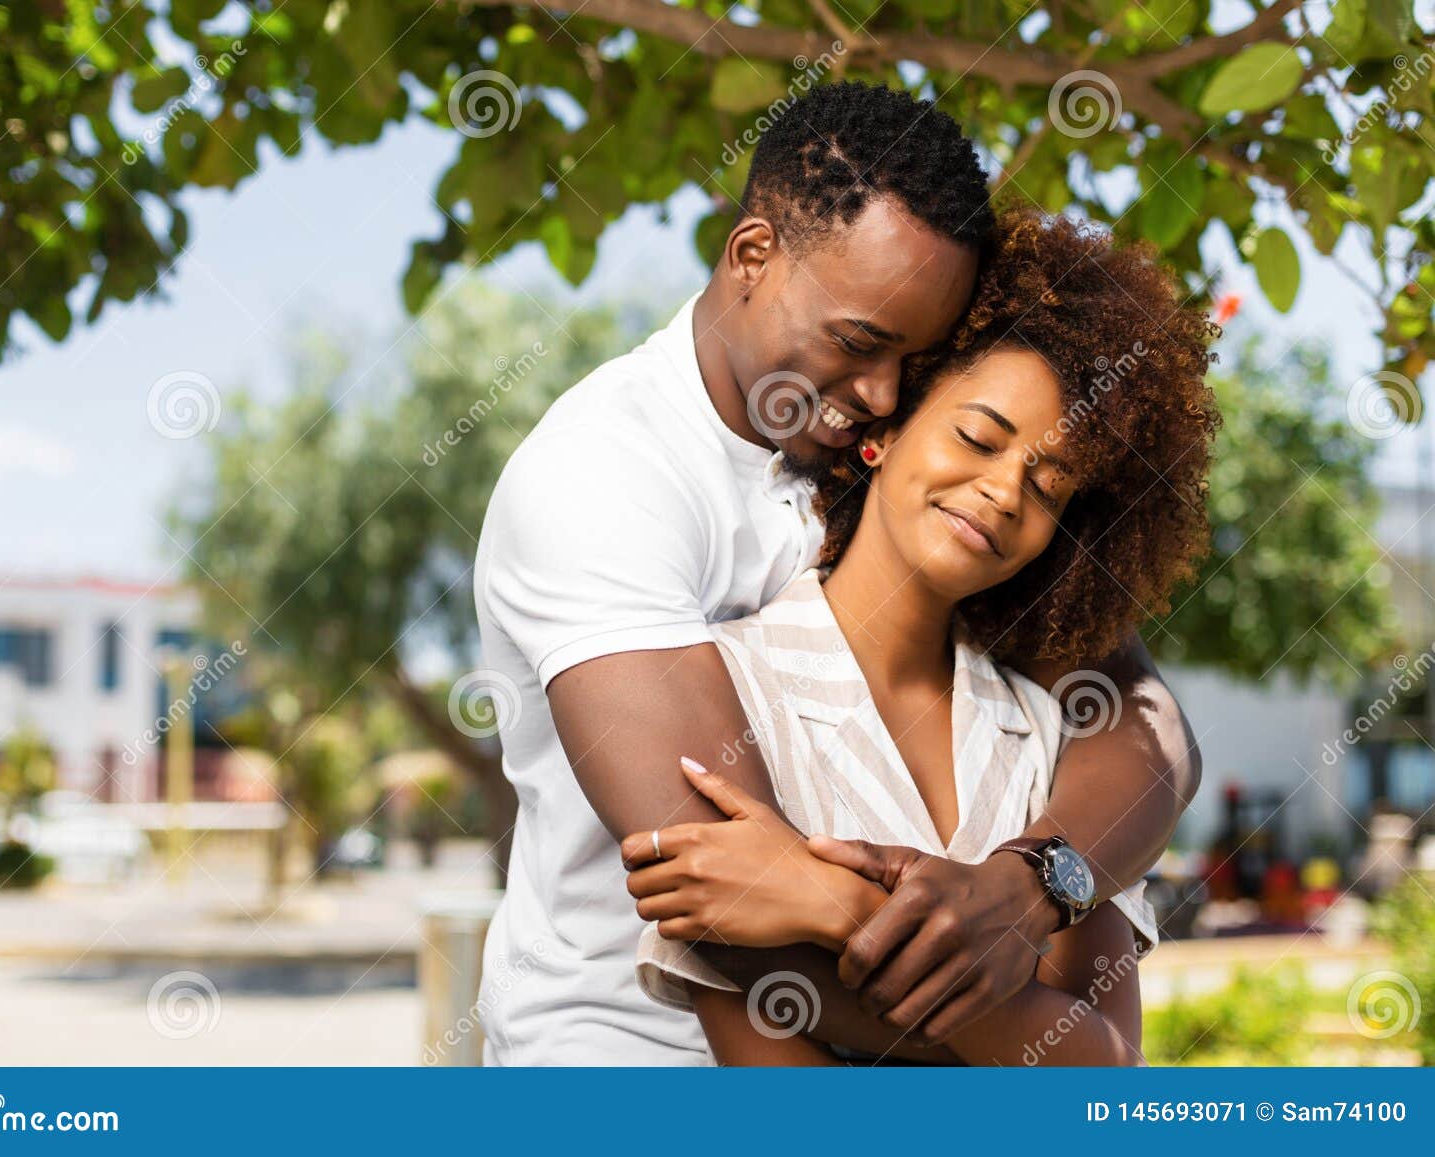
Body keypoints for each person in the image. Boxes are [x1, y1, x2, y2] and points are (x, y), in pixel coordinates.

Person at [473, 81, 1201, 1066]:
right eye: (859, 342)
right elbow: (729, 902)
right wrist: (1039, 1048)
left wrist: (1029, 885)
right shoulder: (602, 475)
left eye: (918, 357)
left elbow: (1146, 730)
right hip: (628, 1054)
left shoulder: (884, 443)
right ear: (752, 255)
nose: (880, 392)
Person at [622, 208, 1219, 1065]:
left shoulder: (1057, 731)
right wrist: (1008, 1005)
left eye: (1048, 487)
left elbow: (1109, 1075)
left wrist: (832, 907)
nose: (1004, 491)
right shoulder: (728, 690)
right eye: (979, 437)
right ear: (884, 430)